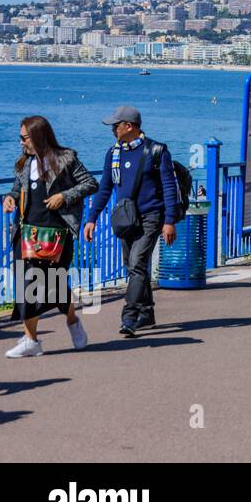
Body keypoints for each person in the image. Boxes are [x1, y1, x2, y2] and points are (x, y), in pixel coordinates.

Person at [3, 116, 98, 358]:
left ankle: (73, 321)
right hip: (26, 232)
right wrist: (10, 197)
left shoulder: (66, 158)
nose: (21, 142)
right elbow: (17, 187)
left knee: (53, 285)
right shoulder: (26, 163)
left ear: (37, 136)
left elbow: (90, 183)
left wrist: (64, 196)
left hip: (56, 234)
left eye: (24, 137)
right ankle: (31, 340)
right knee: (27, 285)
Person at [82, 105, 179, 337]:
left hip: (151, 216)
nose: (113, 129)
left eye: (116, 125)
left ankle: (130, 316)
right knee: (132, 266)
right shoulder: (113, 153)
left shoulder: (157, 151)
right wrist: (91, 218)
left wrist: (169, 221)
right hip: (125, 218)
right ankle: (147, 313)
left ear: (130, 126)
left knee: (136, 263)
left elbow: (168, 187)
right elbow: (105, 188)